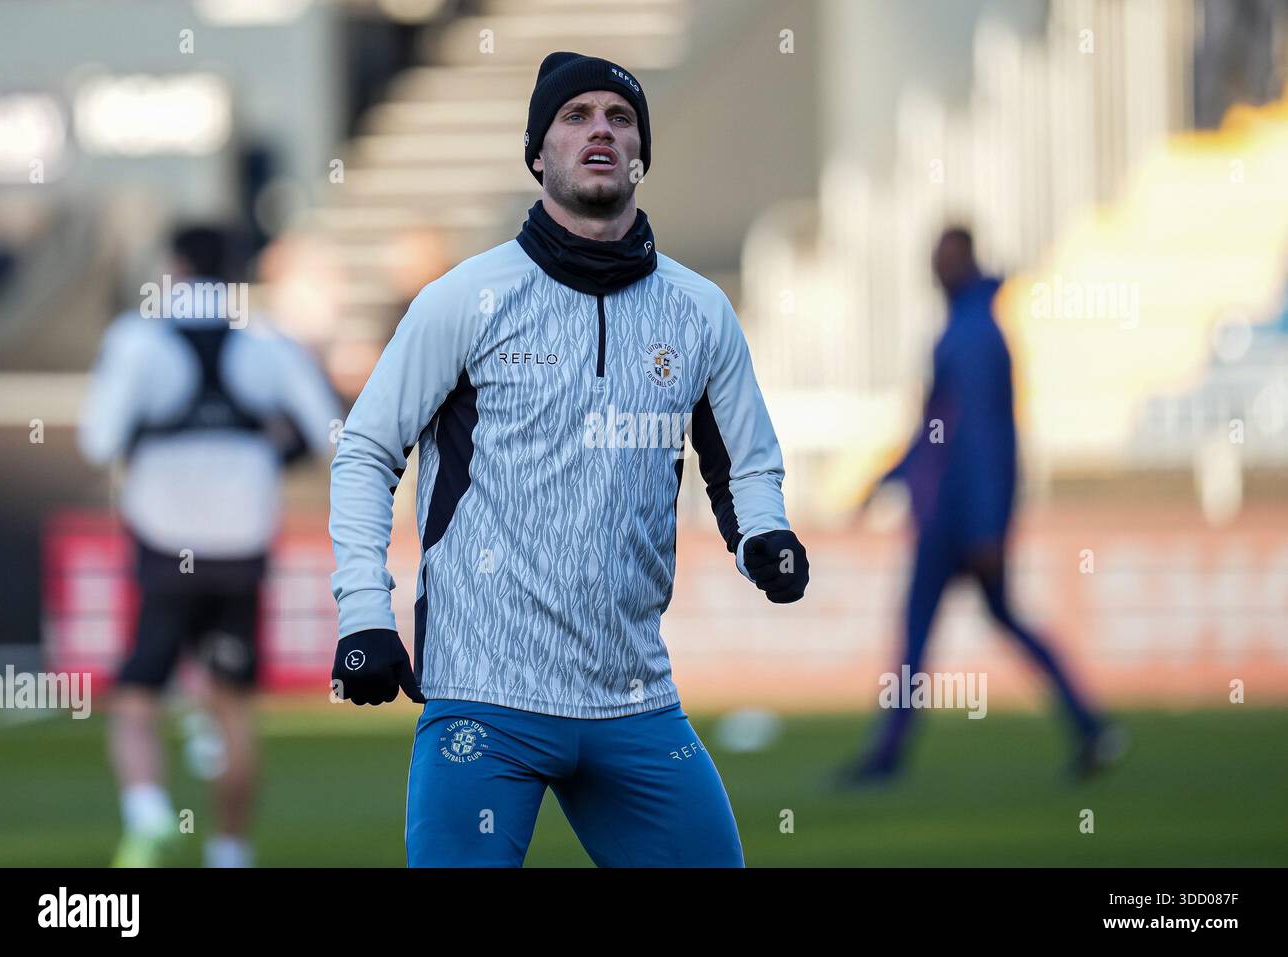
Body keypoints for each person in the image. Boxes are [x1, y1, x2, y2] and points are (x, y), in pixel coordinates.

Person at [328, 51, 809, 867]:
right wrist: (363, 614)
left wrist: (764, 531)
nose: (601, 131)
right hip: (485, 699)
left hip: (634, 698)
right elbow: (367, 451)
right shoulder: (464, 299)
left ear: (641, 155)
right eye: (576, 116)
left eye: (620, 119)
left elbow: (746, 462)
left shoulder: (699, 312)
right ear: (537, 153)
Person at [80, 224, 342, 866]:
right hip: (242, 546)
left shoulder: (137, 339)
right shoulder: (268, 342)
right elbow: (330, 429)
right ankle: (229, 853)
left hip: (166, 544)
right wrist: (262, 452)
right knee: (232, 708)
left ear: (172, 265)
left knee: (139, 694)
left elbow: (97, 442)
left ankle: (147, 812)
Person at [837, 227, 1124, 785]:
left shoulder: (972, 335)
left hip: (955, 518)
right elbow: (939, 432)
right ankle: (1091, 728)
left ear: (967, 261)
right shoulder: (970, 328)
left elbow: (984, 437)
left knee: (919, 632)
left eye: (946, 258)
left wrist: (987, 524)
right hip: (960, 514)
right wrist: (887, 479)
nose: (936, 269)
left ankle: (888, 754)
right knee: (999, 620)